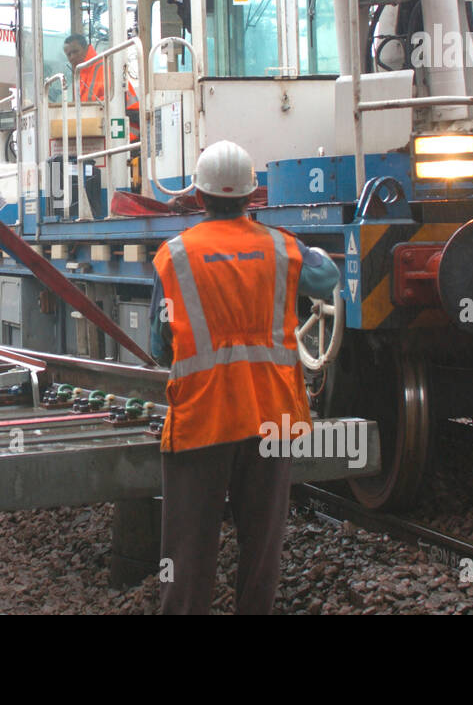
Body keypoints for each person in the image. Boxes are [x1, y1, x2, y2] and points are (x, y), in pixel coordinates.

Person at [150, 140, 339, 615]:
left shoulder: (174, 256)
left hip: (203, 421)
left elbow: (160, 345)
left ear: (198, 195)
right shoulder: (281, 247)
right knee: (262, 546)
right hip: (271, 417)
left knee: (187, 552)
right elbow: (327, 276)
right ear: (252, 197)